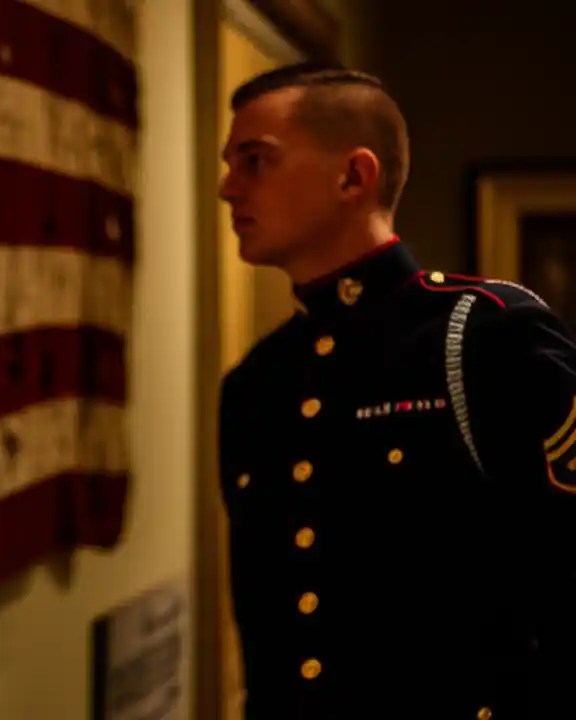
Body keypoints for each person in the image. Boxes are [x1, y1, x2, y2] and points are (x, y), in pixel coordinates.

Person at [217, 62, 576, 719]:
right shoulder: (256, 384)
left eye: (254, 161)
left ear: (354, 175)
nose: (226, 187)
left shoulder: (480, 335)